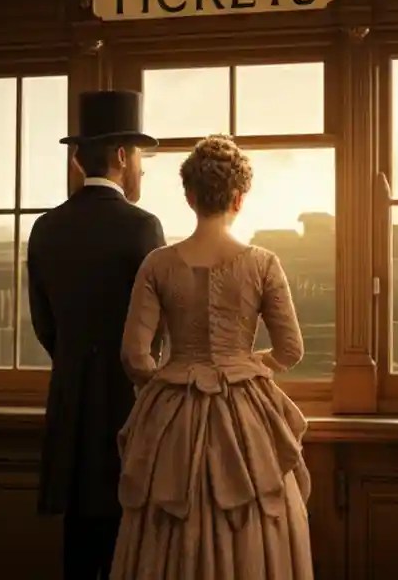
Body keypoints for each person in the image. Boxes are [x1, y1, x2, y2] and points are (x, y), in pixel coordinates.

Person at [111, 135, 313, 579]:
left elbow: (134, 355)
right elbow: (291, 350)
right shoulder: (262, 263)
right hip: (247, 415)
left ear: (190, 196)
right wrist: (250, 365)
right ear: (240, 198)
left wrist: (164, 386)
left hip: (172, 414)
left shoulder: (158, 264)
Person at [27, 90, 166, 580]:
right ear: (122, 156)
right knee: (127, 544)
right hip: (126, 404)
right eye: (140, 159)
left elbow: (45, 326)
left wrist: (74, 363)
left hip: (68, 403)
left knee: (78, 548)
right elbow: (156, 328)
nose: (143, 171)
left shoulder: (45, 229)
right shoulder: (143, 228)